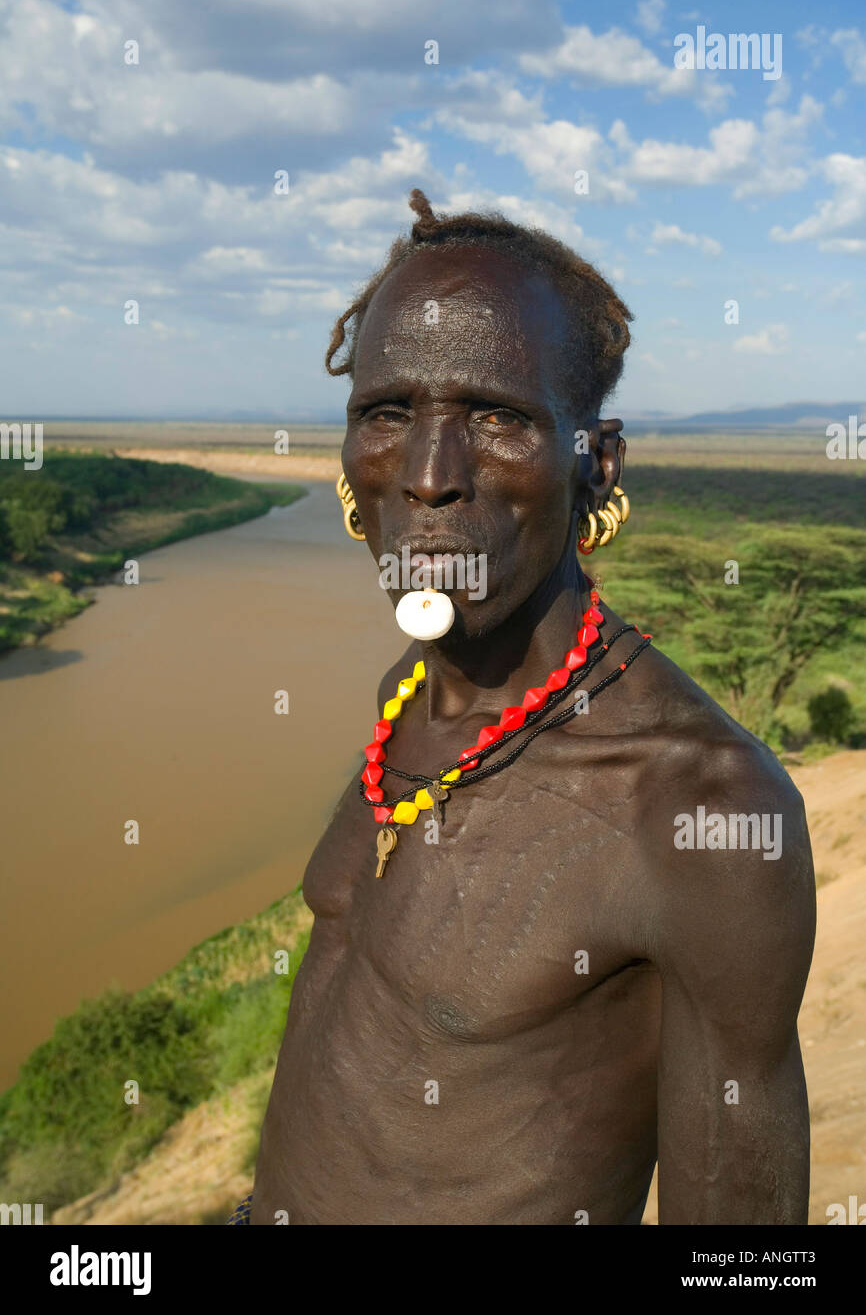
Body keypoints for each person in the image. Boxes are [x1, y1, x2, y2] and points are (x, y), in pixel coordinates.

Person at [238, 189, 815, 1226]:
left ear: (595, 463)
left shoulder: (697, 807)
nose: (426, 475)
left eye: (496, 416)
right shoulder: (411, 687)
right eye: (386, 412)